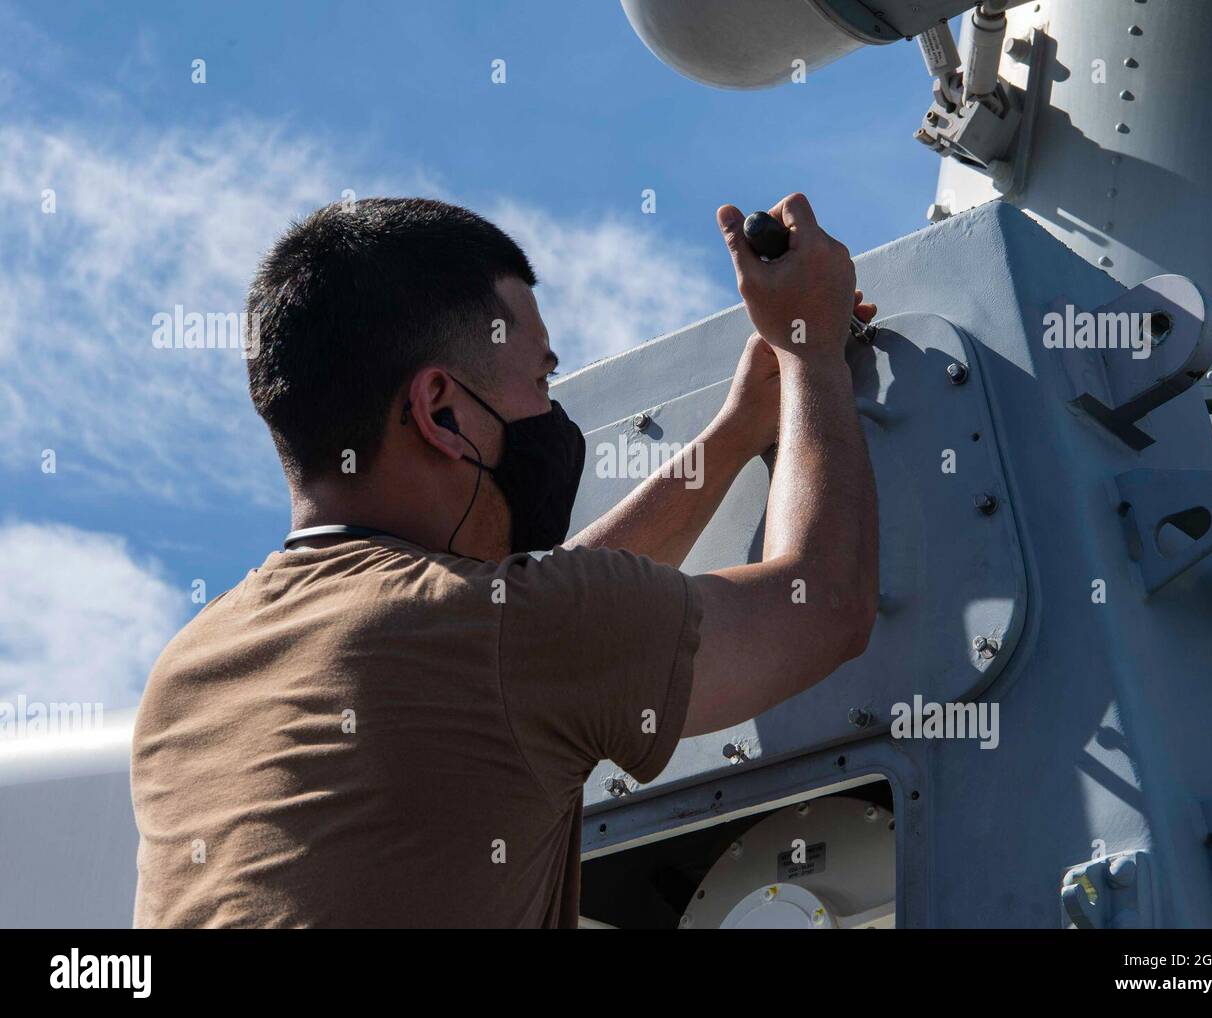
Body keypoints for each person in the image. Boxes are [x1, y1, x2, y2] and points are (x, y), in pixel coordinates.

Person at [131, 192, 879, 927]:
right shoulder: (492, 639)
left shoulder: (189, 673)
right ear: (442, 412)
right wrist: (811, 349)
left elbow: (521, 633)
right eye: (540, 379)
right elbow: (821, 606)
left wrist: (738, 429)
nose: (551, 414)